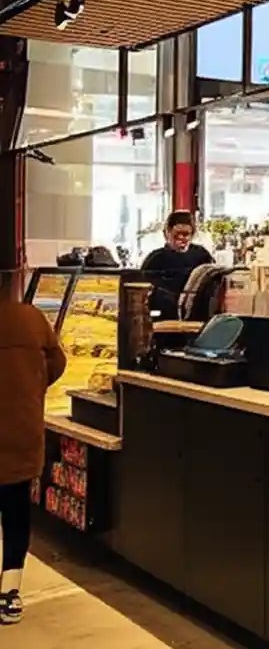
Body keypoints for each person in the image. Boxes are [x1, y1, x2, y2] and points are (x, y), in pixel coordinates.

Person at [0, 268, 67, 625]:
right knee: (14, 514)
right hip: (20, 432)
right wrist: (29, 388)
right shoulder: (30, 317)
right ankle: (9, 593)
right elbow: (57, 363)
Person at [141, 210, 214, 320]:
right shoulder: (155, 258)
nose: (181, 238)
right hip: (164, 314)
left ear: (192, 234)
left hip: (196, 312)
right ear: (167, 233)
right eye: (176, 235)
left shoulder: (201, 255)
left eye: (185, 234)